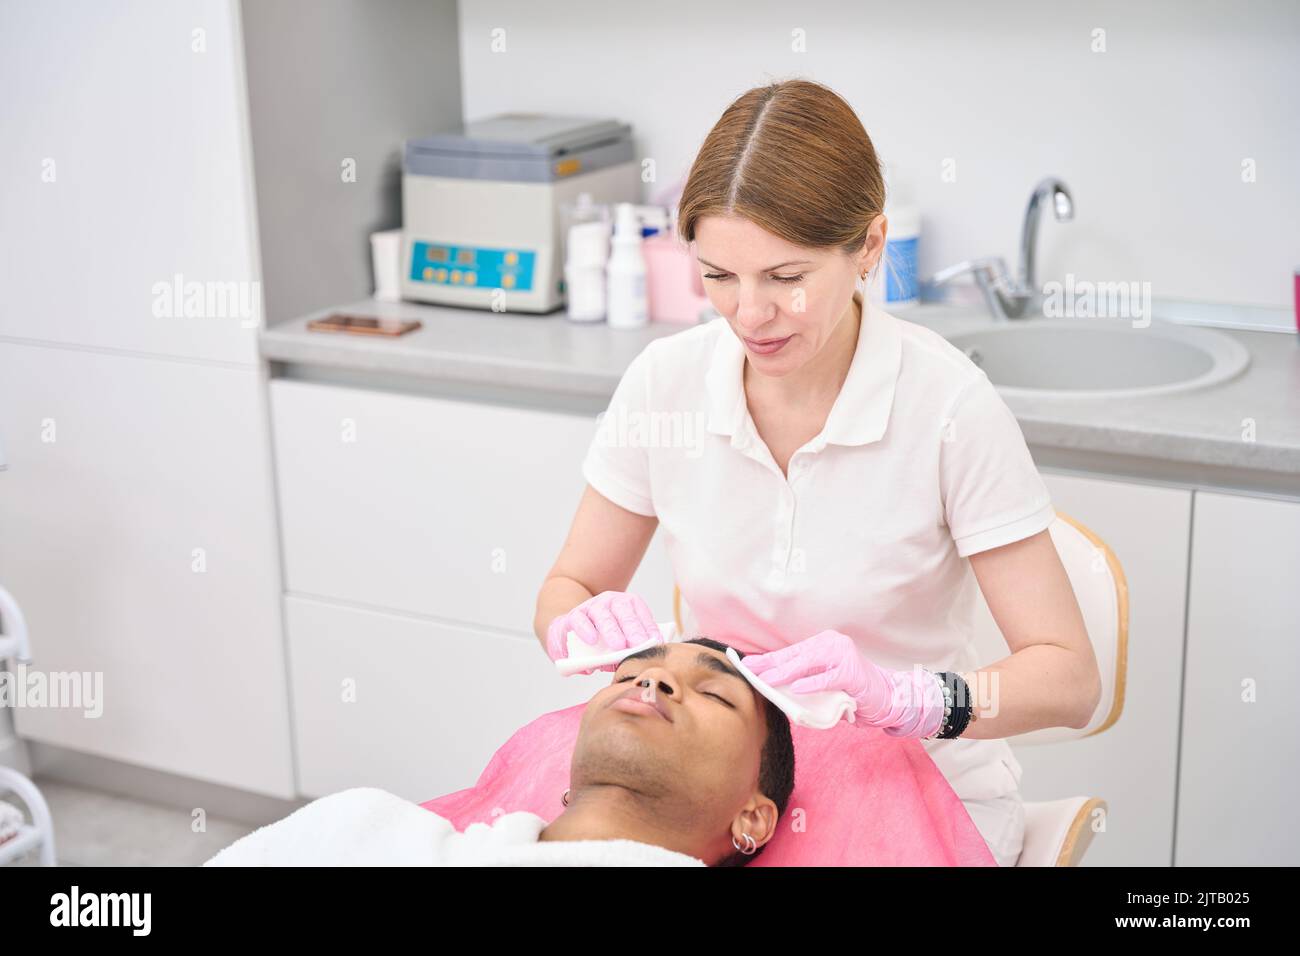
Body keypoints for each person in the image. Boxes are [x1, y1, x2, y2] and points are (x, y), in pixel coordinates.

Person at [534, 78, 1102, 868]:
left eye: (786, 278)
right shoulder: (666, 382)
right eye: (719, 275)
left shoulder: (948, 408)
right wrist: (575, 622)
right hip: (716, 784)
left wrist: (906, 699)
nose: (748, 315)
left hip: (911, 776)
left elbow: (1071, 679)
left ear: (869, 246)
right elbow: (572, 584)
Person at [206, 639, 793, 867]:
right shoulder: (365, 829)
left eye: (714, 693)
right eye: (631, 674)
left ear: (753, 816)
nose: (653, 683)